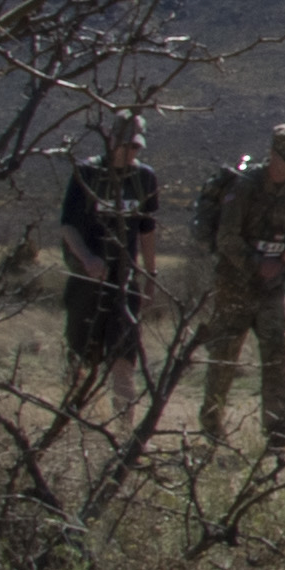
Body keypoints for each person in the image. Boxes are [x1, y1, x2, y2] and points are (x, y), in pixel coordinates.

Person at [201, 123, 285, 445]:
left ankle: (277, 427)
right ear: (272, 154)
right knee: (225, 354)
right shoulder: (246, 187)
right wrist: (254, 263)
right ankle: (211, 424)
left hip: (272, 285)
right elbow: (226, 238)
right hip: (235, 283)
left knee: (277, 349)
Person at [59, 113, 163, 411]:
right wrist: (87, 258)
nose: (131, 153)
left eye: (136, 148)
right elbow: (67, 225)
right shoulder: (86, 173)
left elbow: (146, 229)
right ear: (111, 139)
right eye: (126, 145)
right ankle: (73, 417)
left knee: (124, 355)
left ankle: (123, 429)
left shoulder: (144, 178)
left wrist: (150, 273)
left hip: (124, 278)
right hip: (87, 278)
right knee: (82, 354)